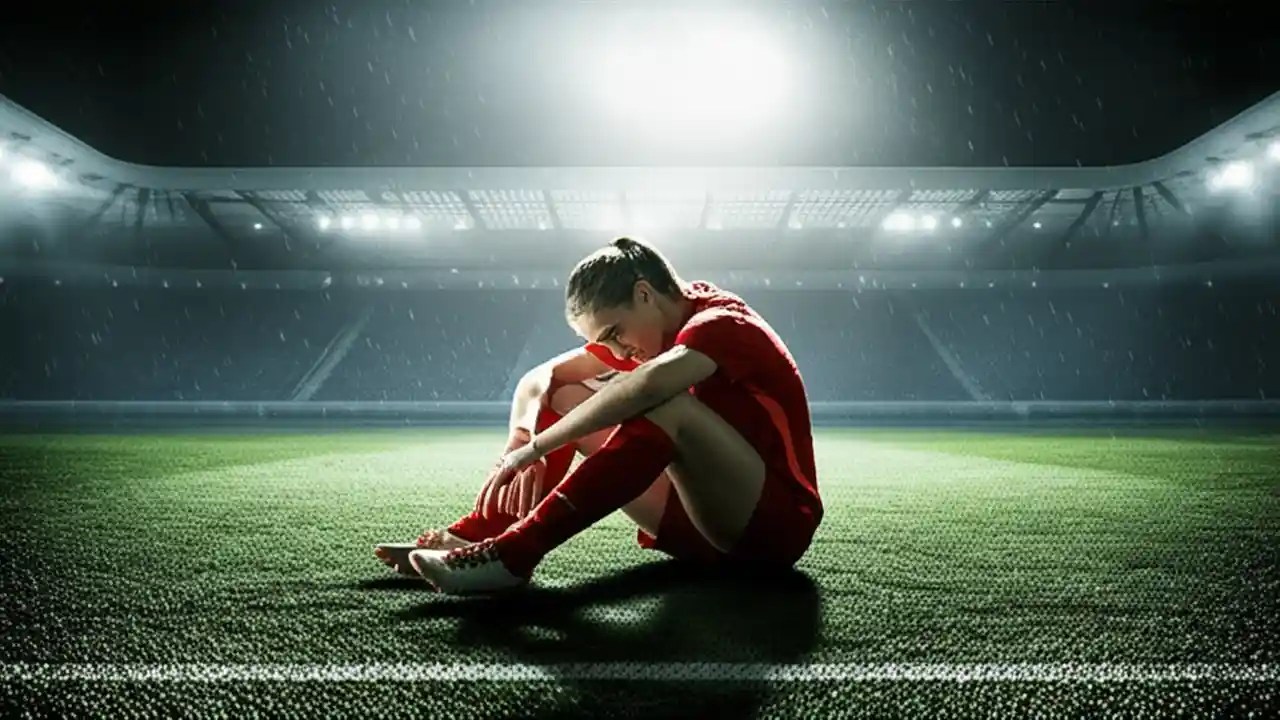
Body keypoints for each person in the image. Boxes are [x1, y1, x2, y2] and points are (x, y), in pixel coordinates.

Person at [374, 236, 823, 595]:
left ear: (644, 294)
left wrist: (537, 449)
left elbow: (645, 387)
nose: (616, 352)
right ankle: (479, 539)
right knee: (565, 395)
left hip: (771, 531)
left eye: (614, 334)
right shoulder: (652, 333)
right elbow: (542, 377)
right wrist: (520, 436)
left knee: (663, 402)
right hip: (699, 531)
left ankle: (516, 553)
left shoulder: (722, 323)